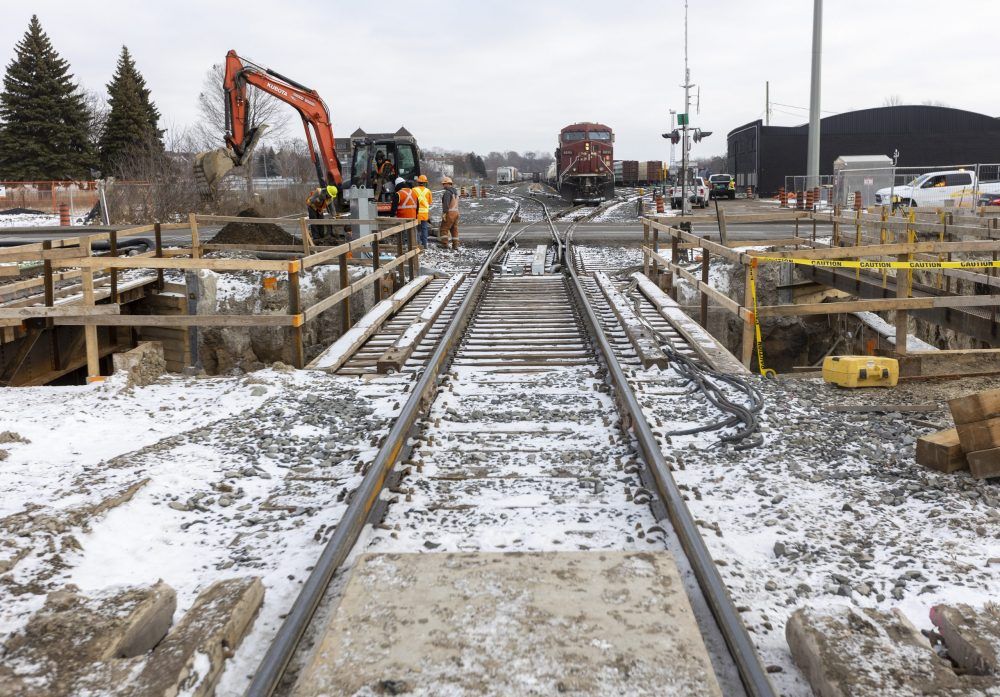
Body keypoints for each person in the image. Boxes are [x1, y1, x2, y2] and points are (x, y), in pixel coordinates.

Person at [412, 174, 433, 248]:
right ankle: (424, 245)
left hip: (416, 213)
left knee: (416, 229)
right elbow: (430, 202)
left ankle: (417, 244)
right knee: (424, 229)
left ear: (418, 182)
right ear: (425, 183)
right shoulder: (428, 191)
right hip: (424, 214)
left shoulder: (414, 190)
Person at [439, 176, 460, 250]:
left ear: (448, 184)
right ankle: (455, 245)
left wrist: (444, 213)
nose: (443, 185)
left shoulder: (447, 193)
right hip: (456, 213)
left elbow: (446, 204)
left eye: (444, 184)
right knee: (454, 229)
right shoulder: (455, 192)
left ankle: (444, 244)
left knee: (444, 228)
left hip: (450, 213)